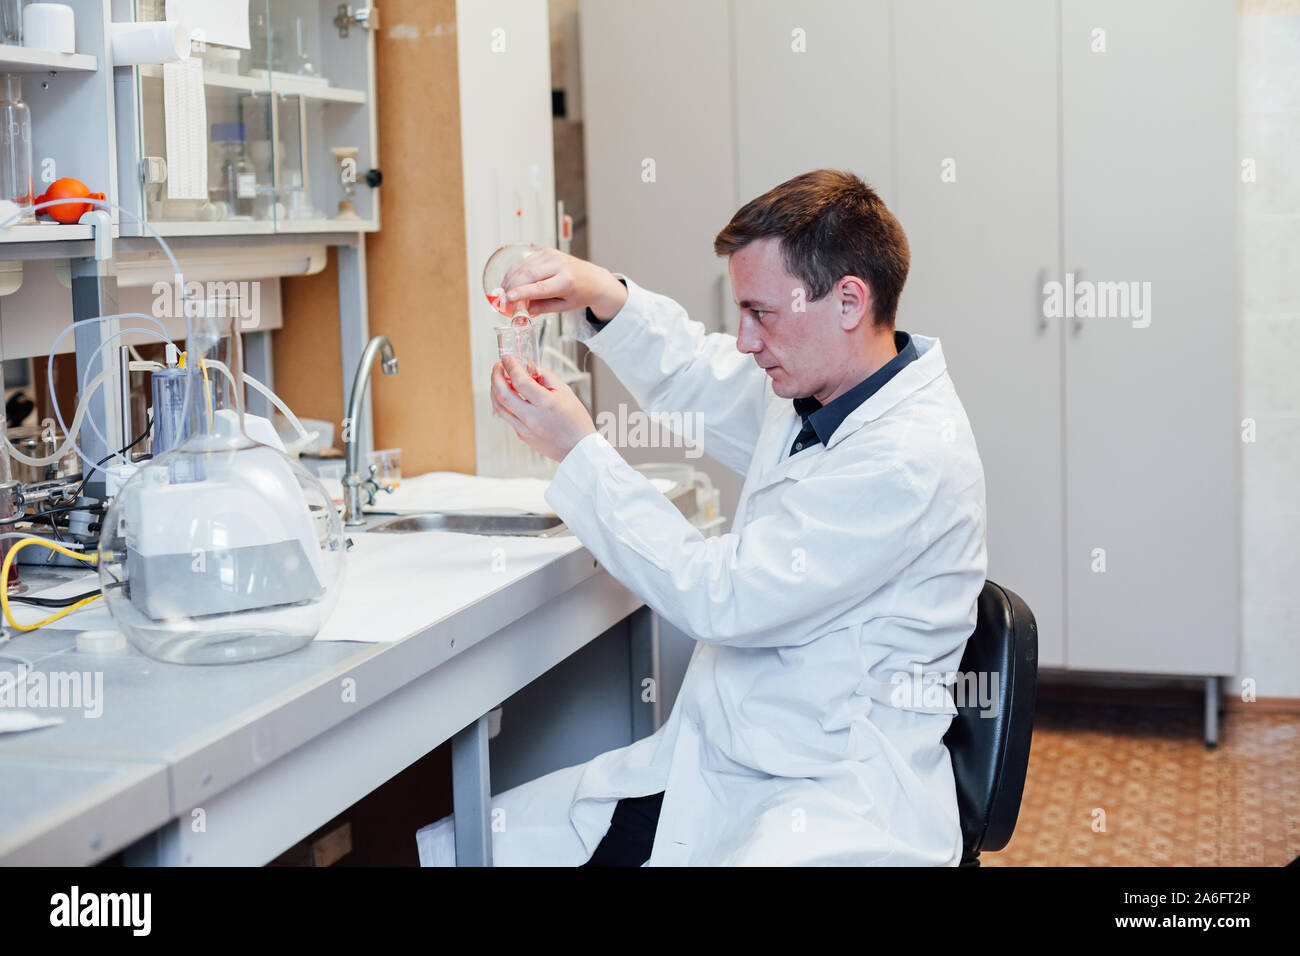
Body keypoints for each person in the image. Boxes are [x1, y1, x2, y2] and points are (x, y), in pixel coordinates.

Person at [416, 169, 987, 866]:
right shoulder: (828, 388)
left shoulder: (905, 457)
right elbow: (695, 375)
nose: (746, 340)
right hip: (731, 760)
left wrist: (577, 448)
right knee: (483, 843)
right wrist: (603, 295)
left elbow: (722, 596)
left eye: (761, 313)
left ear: (847, 300)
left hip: (830, 792)